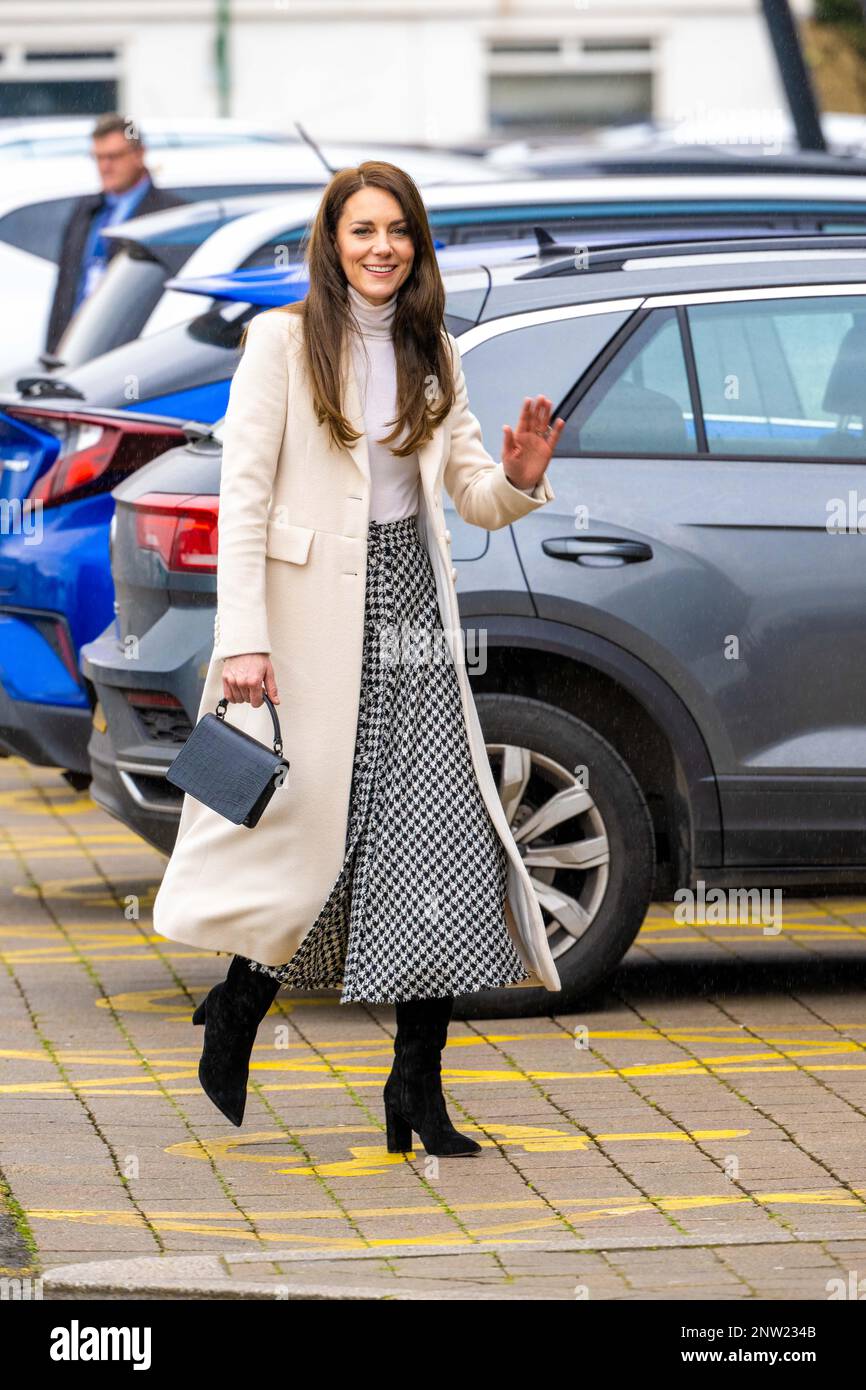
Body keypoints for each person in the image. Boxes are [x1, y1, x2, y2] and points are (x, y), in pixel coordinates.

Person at [151, 160, 565, 1158]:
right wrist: (242, 638)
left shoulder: (436, 350)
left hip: (413, 610)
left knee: (438, 842)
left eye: (398, 232)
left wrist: (515, 480)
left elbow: (467, 491)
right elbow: (241, 500)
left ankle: (414, 1088)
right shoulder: (281, 343)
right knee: (307, 837)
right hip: (303, 620)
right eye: (361, 230)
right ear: (332, 244)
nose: (381, 247)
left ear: (416, 247)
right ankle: (239, 1003)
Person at [44, 112, 186, 356]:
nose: (105, 166)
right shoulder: (87, 210)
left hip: (130, 352)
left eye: (113, 157)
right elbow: (66, 287)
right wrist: (52, 353)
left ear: (139, 154)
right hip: (77, 349)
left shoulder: (170, 215)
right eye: (98, 158)